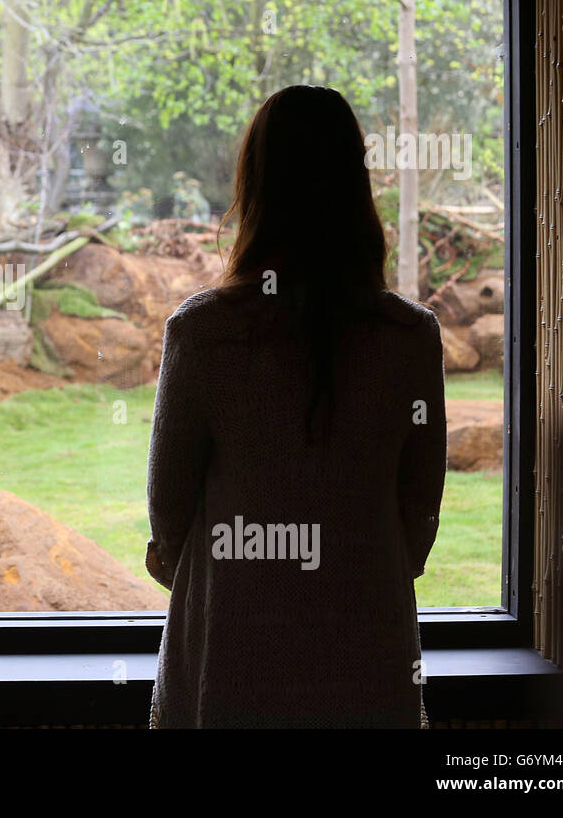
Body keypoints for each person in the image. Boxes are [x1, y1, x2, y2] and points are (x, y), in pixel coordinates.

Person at [145, 84, 447, 728]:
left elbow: (169, 520)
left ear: (254, 187)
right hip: (369, 659)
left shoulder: (203, 333)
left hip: (228, 662)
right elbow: (419, 515)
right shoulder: (408, 338)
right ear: (355, 188)